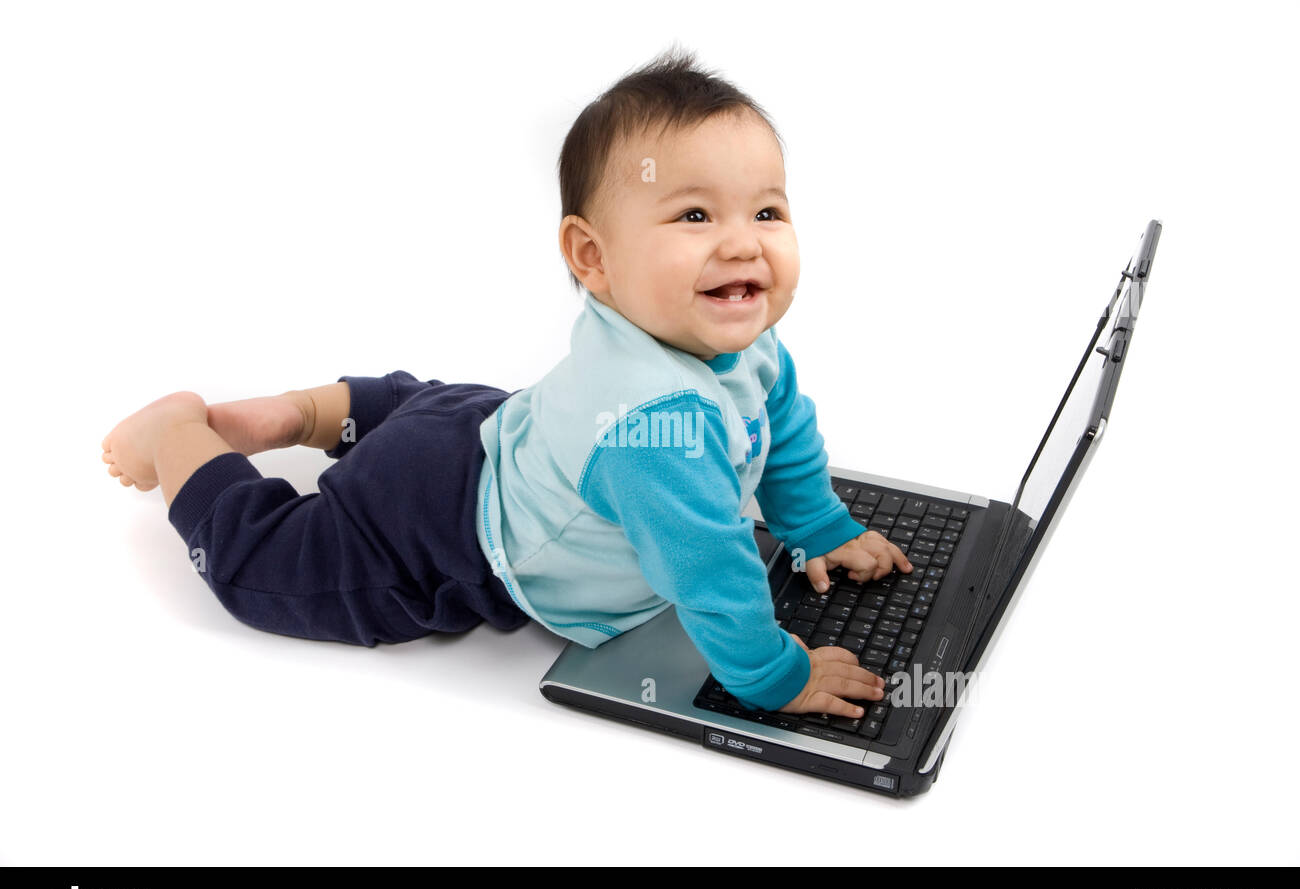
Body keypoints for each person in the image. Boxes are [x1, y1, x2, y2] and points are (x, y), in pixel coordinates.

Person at [101, 47, 911, 720]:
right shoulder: (656, 427)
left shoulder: (742, 341)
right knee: (271, 568)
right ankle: (182, 436)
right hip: (450, 532)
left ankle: (305, 413)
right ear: (593, 257)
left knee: (423, 404)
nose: (744, 245)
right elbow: (710, 572)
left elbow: (785, 430)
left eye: (767, 213)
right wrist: (778, 675)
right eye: (695, 216)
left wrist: (819, 527)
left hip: (494, 427)